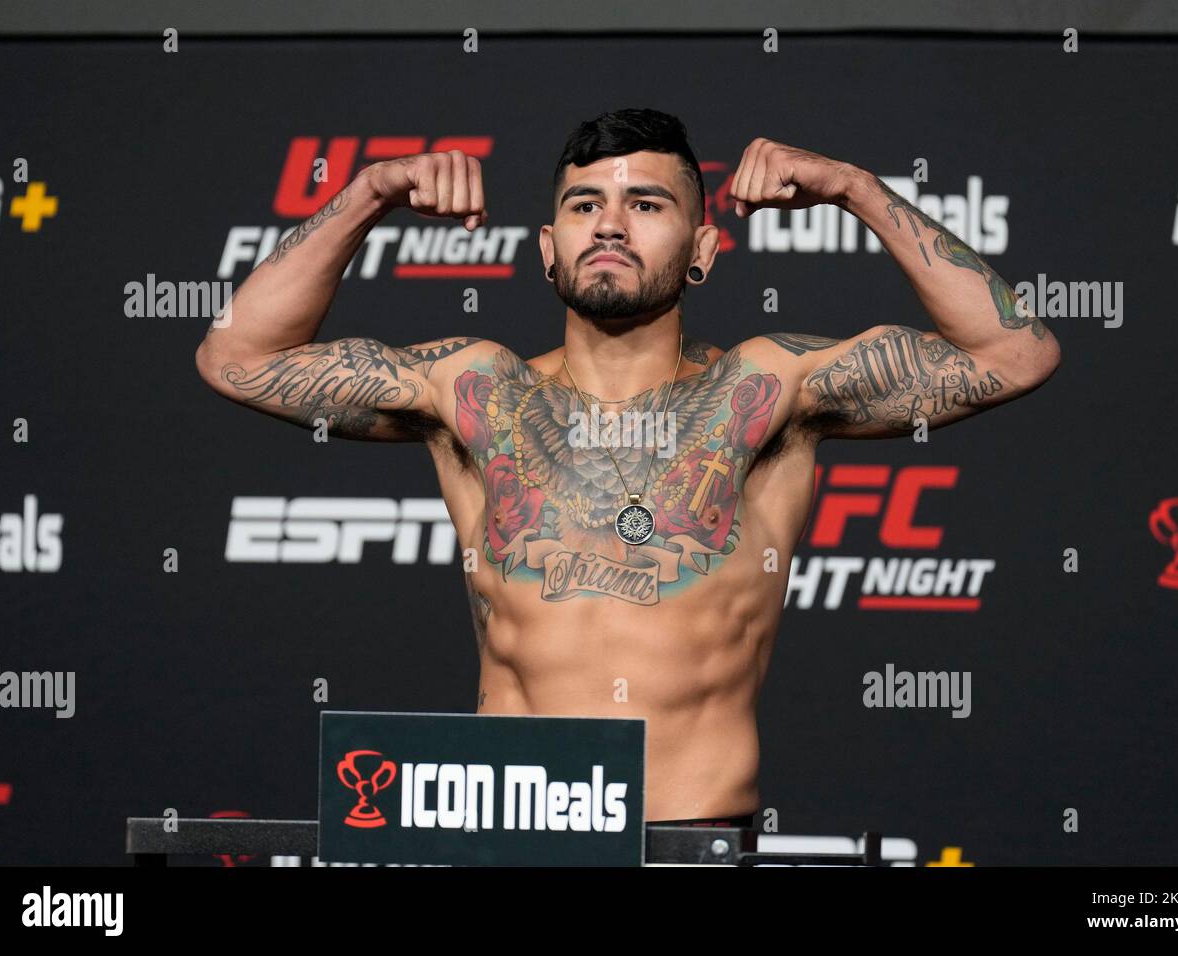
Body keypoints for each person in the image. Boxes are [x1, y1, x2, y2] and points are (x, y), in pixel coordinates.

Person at [194, 108, 1060, 826]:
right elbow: (235, 357)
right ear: (546, 247)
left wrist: (854, 188)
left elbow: (1014, 355)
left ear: (703, 249)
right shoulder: (476, 390)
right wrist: (371, 191)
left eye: (646, 204)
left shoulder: (766, 390)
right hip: (511, 832)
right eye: (582, 206)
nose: (608, 222)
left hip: (693, 838)